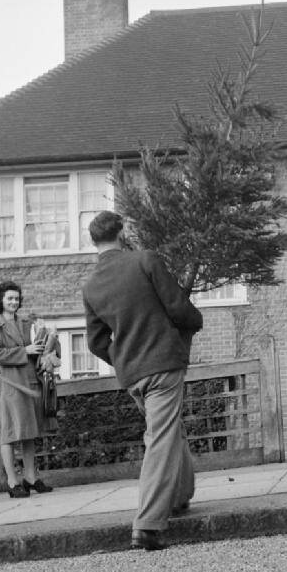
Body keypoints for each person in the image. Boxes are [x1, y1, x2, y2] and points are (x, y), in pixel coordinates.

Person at [82, 210, 203, 551]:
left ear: (94, 241)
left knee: (168, 429)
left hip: (132, 373)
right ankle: (147, 524)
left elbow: (96, 342)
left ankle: (179, 496)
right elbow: (177, 307)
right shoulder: (145, 260)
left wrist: (122, 358)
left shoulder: (90, 286)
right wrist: (196, 322)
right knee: (160, 437)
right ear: (121, 233)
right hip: (162, 363)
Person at [0, 281, 58, 498]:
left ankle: (30, 478)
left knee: (29, 432)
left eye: (16, 298)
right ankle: (13, 482)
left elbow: (42, 346)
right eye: (10, 298)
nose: (14, 302)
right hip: (11, 385)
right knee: (10, 434)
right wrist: (26, 350)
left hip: (32, 381)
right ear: (0, 300)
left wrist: (49, 342)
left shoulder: (27, 323)